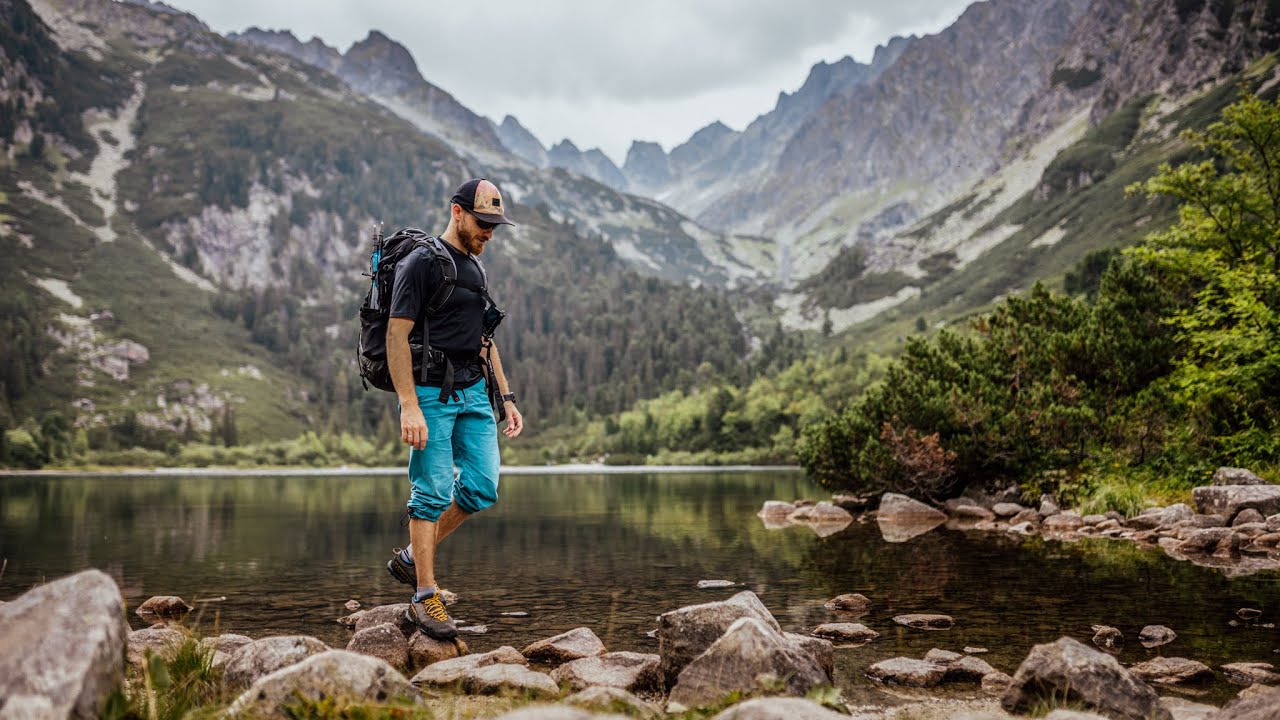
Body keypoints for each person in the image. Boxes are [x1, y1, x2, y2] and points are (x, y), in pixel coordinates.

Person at [383, 178, 524, 639]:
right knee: (432, 491)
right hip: (429, 394)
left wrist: (506, 398)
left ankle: (409, 557)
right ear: (458, 212)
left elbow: (485, 341)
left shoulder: (476, 269)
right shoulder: (422, 261)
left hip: (473, 394)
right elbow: (395, 335)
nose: (489, 233)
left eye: (495, 226)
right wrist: (408, 406)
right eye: (484, 223)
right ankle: (426, 595)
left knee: (482, 487)